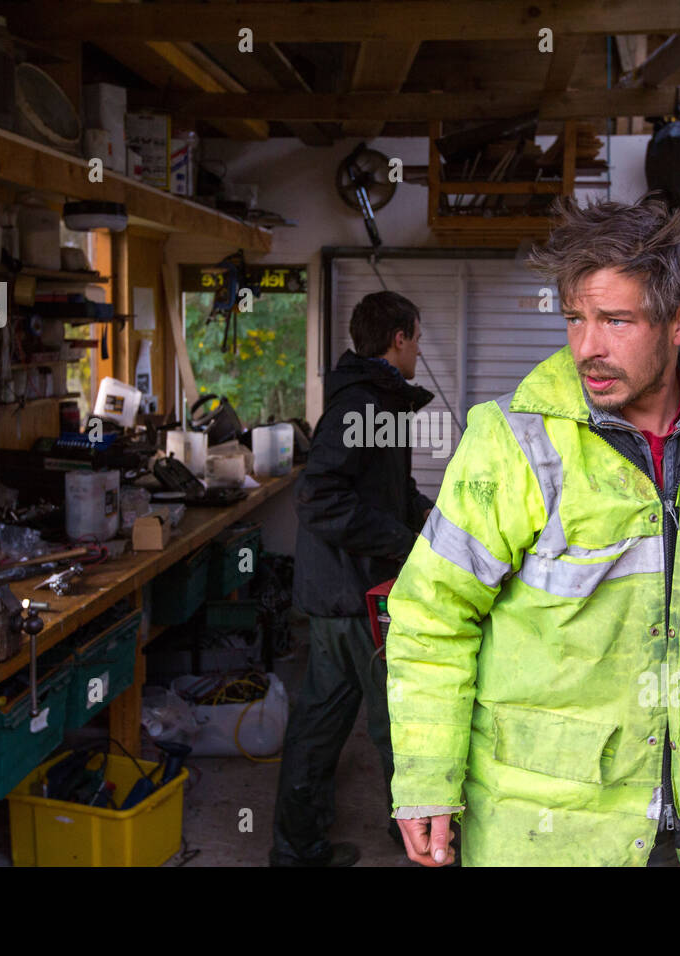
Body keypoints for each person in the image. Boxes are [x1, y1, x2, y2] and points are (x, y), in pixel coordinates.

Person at [385, 195, 680, 867]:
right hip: (540, 831)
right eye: (575, 319)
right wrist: (425, 781)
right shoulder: (514, 440)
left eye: (616, 320)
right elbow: (432, 616)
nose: (588, 346)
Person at [269, 290, 435, 867]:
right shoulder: (364, 407)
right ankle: (422, 842)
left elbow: (383, 492)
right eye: (417, 337)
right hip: (356, 598)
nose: (419, 349)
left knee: (319, 726)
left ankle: (297, 850)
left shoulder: (374, 402)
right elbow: (320, 498)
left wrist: (438, 521)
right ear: (400, 338)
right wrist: (403, 543)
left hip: (337, 596)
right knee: (403, 726)